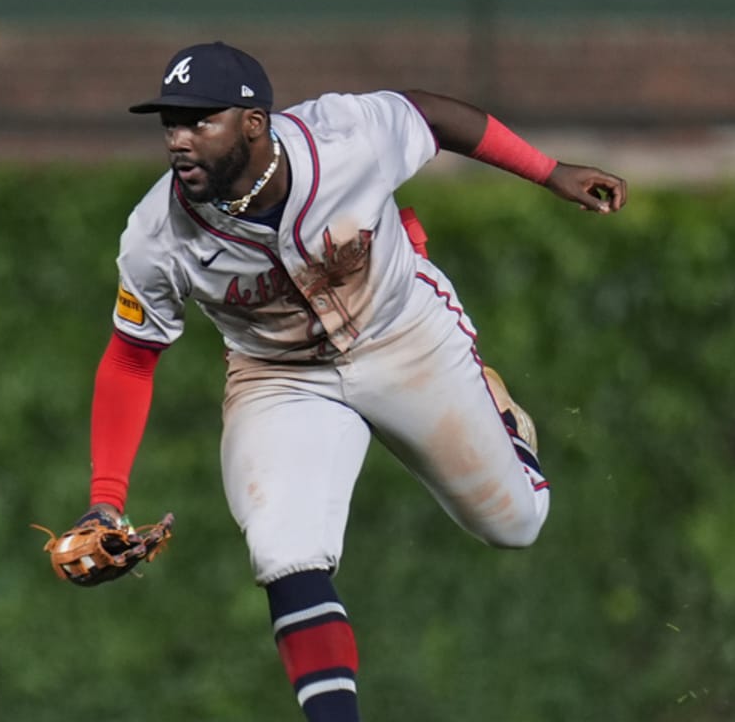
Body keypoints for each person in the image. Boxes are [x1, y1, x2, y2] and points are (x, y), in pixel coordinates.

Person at [70, 41, 627, 721]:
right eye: (170, 124)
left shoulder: (344, 138)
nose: (179, 141)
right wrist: (105, 499)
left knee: (517, 523)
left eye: (198, 121)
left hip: (403, 333)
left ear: (253, 122)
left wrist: (548, 171)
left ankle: (500, 414)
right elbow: (131, 358)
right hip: (279, 378)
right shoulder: (156, 235)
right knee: (283, 549)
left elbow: (433, 116)